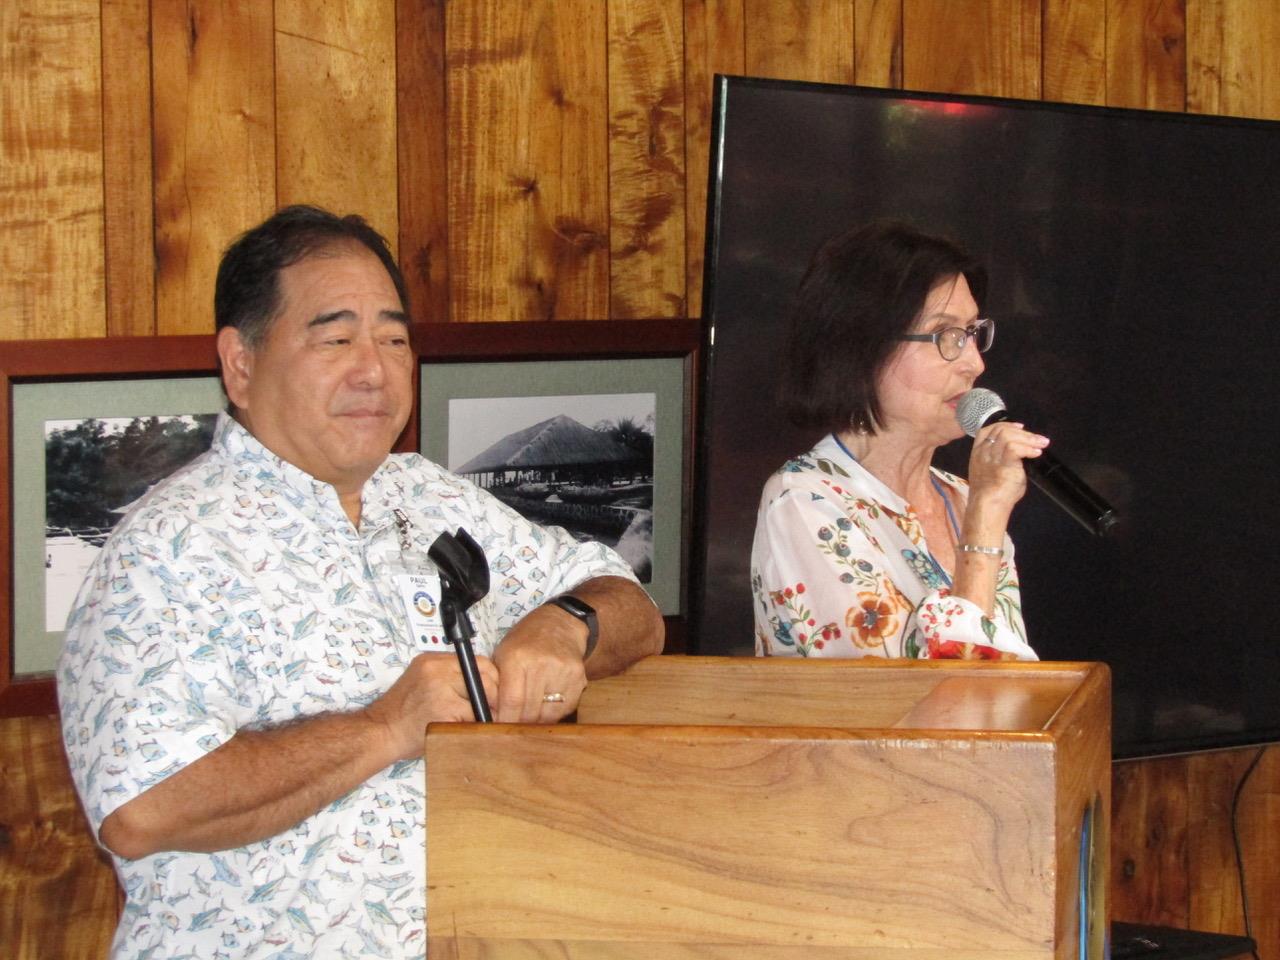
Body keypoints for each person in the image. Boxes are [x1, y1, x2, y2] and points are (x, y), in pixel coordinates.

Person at [57, 205, 664, 959]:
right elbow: (141, 808)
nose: (373, 369)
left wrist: (564, 623)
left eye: (395, 339)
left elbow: (633, 606)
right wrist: (383, 729)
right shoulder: (163, 551)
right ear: (240, 365)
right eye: (336, 337)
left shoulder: (428, 495)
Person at [751, 220, 1042, 661]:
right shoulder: (803, 501)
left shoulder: (965, 496)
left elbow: (1007, 678)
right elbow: (917, 704)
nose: (974, 363)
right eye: (947, 336)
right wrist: (986, 518)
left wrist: (983, 509)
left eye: (972, 333)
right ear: (862, 348)